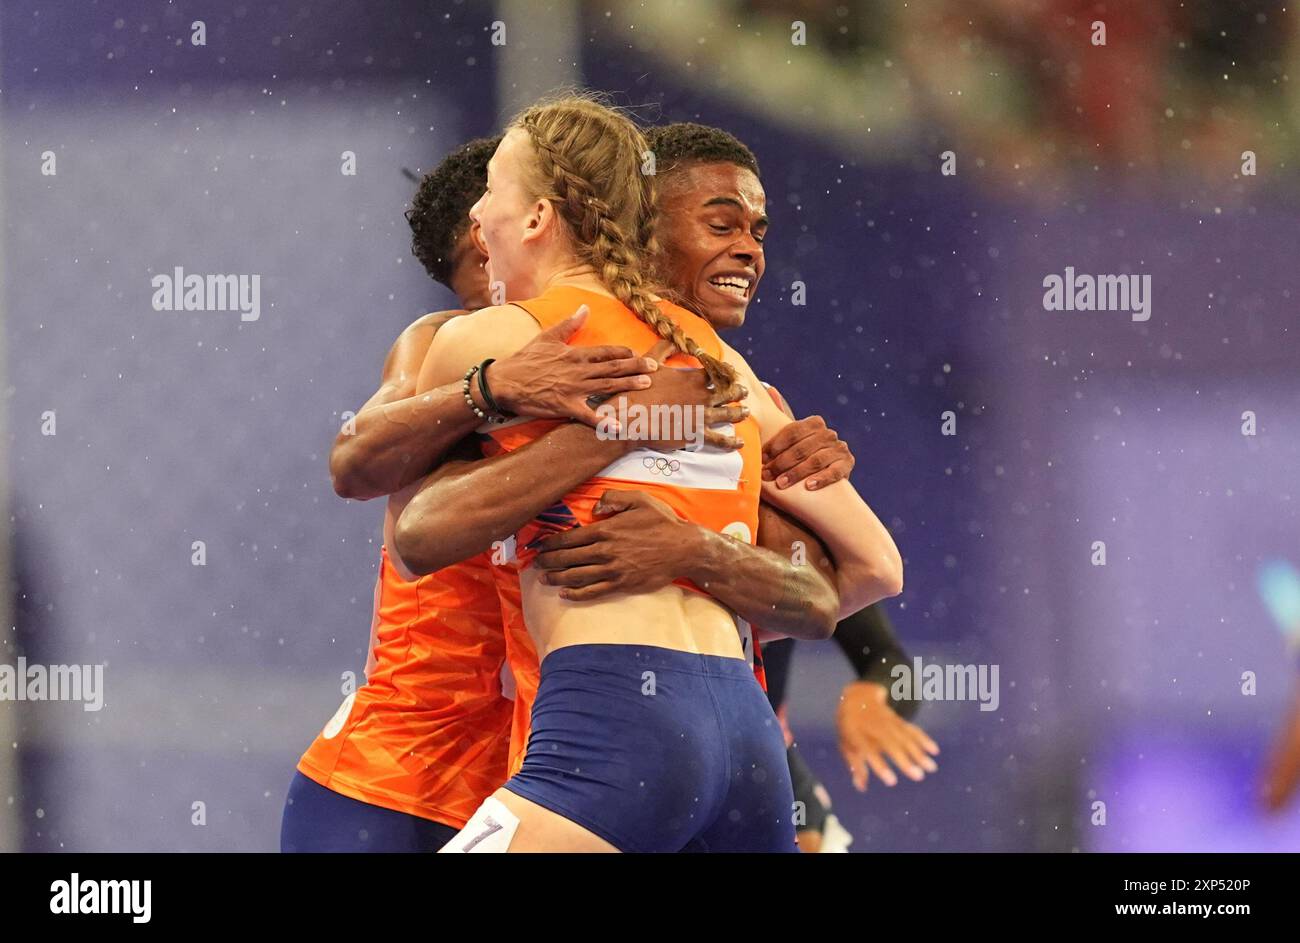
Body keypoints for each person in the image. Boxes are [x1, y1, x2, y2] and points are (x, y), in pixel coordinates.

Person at [395, 93, 903, 852]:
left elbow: (415, 536)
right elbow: (875, 567)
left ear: (535, 217)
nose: (477, 221)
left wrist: (677, 536)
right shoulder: (721, 363)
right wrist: (708, 558)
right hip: (747, 733)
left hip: (613, 722)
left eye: (490, 196)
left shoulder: (495, 336)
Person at [281, 137, 665, 852]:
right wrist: (489, 389)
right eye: (475, 258)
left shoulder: (651, 357)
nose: (494, 274)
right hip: (395, 782)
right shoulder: (442, 343)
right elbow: (353, 464)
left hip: (552, 782)